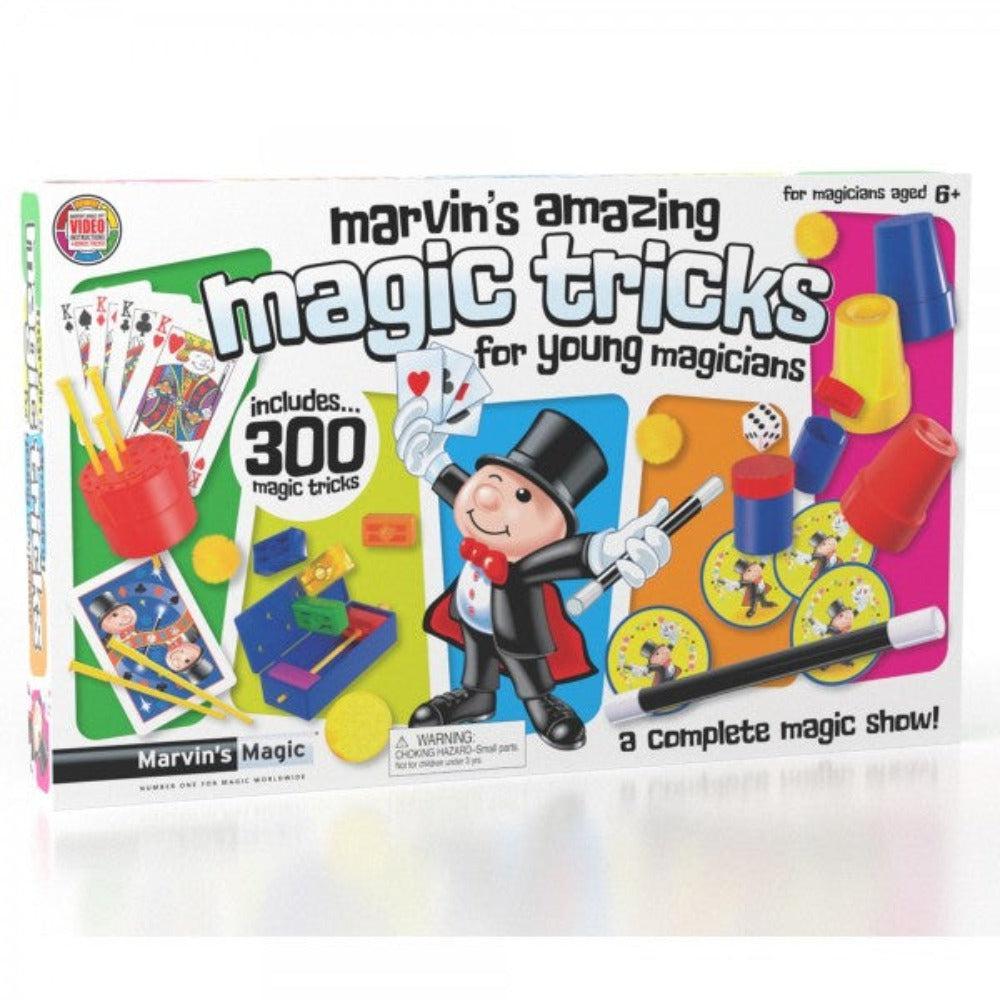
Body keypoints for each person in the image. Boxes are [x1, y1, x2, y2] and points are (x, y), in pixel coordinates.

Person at [394, 402, 672, 750]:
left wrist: (609, 548)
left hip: (516, 625)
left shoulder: (528, 561)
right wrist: (432, 462)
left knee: (523, 664)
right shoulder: (480, 510)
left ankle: (541, 703)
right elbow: (463, 493)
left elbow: (574, 554)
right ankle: (478, 696)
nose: (488, 499)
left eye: (523, 496)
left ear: (556, 530)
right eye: (493, 480)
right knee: (477, 653)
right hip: (470, 612)